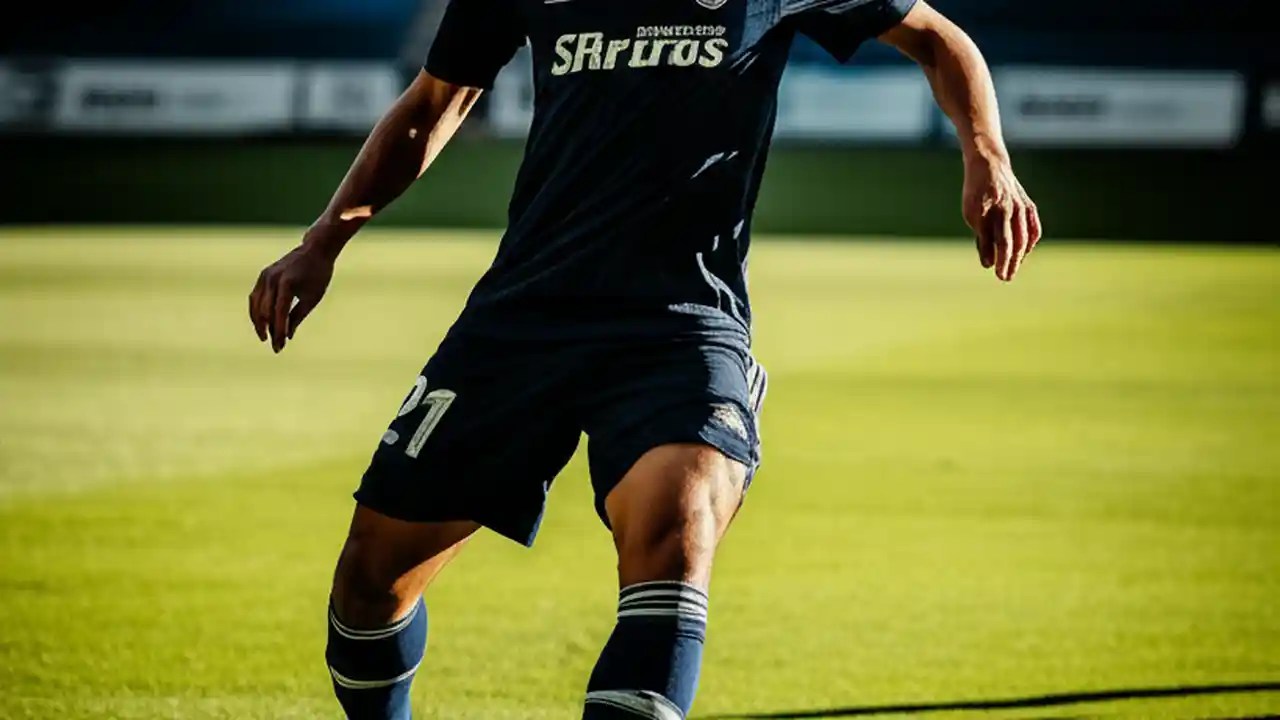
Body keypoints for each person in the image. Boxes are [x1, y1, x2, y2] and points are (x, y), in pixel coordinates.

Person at [247, 0, 1041, 717]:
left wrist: (987, 154)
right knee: (369, 583)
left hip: (683, 321)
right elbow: (432, 106)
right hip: (526, 313)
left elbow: (938, 39)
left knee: (678, 530)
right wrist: (324, 240)